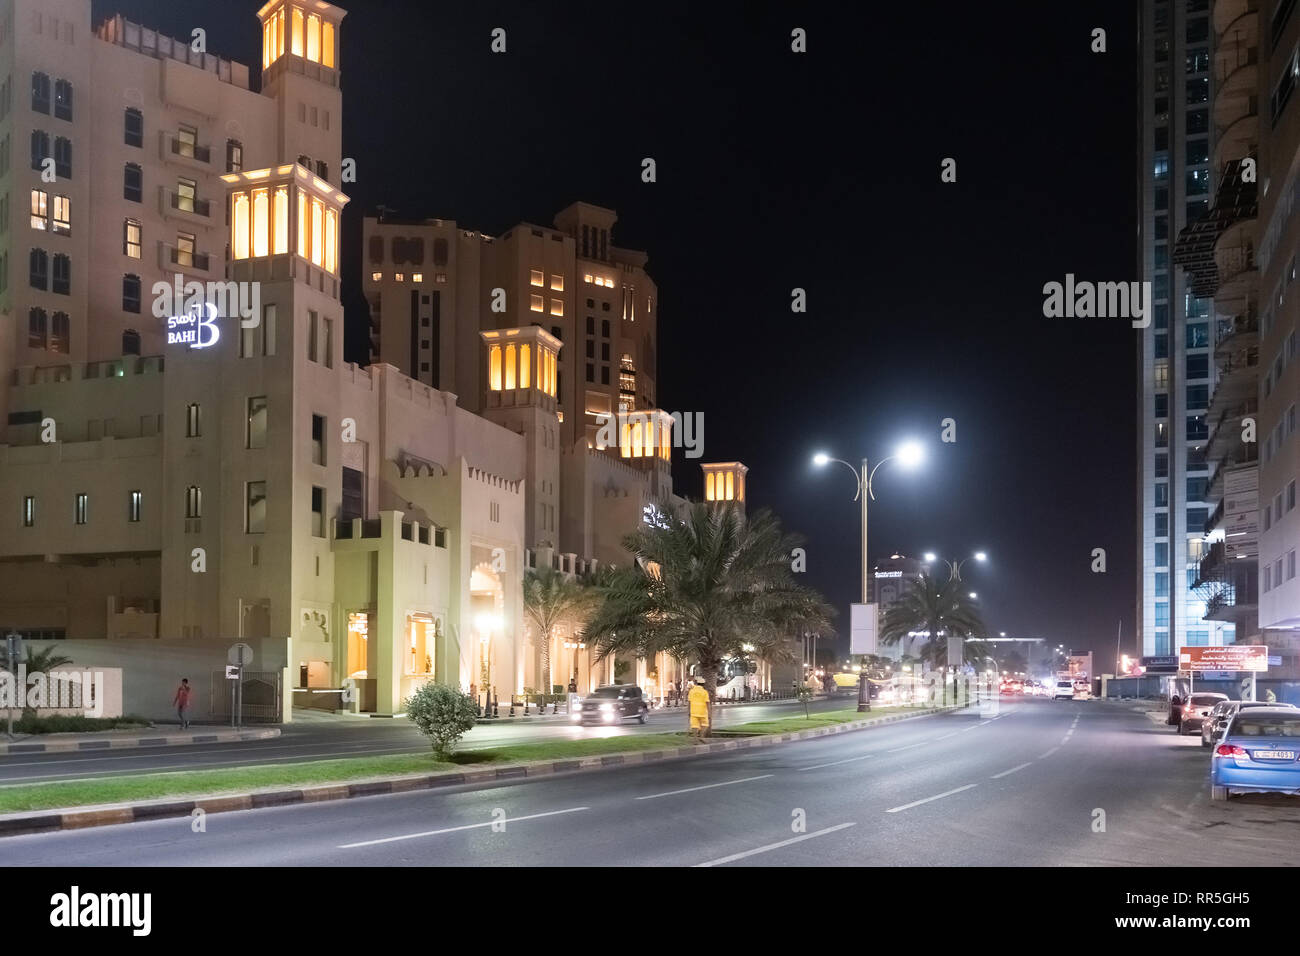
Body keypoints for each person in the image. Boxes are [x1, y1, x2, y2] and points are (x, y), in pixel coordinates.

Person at [688, 678, 711, 742]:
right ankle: (701, 736)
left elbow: (689, 702)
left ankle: (695, 738)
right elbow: (707, 703)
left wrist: (689, 711)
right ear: (703, 684)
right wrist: (709, 713)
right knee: (705, 725)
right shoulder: (704, 692)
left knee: (694, 725)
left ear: (697, 683)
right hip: (702, 711)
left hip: (693, 711)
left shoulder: (691, 691)